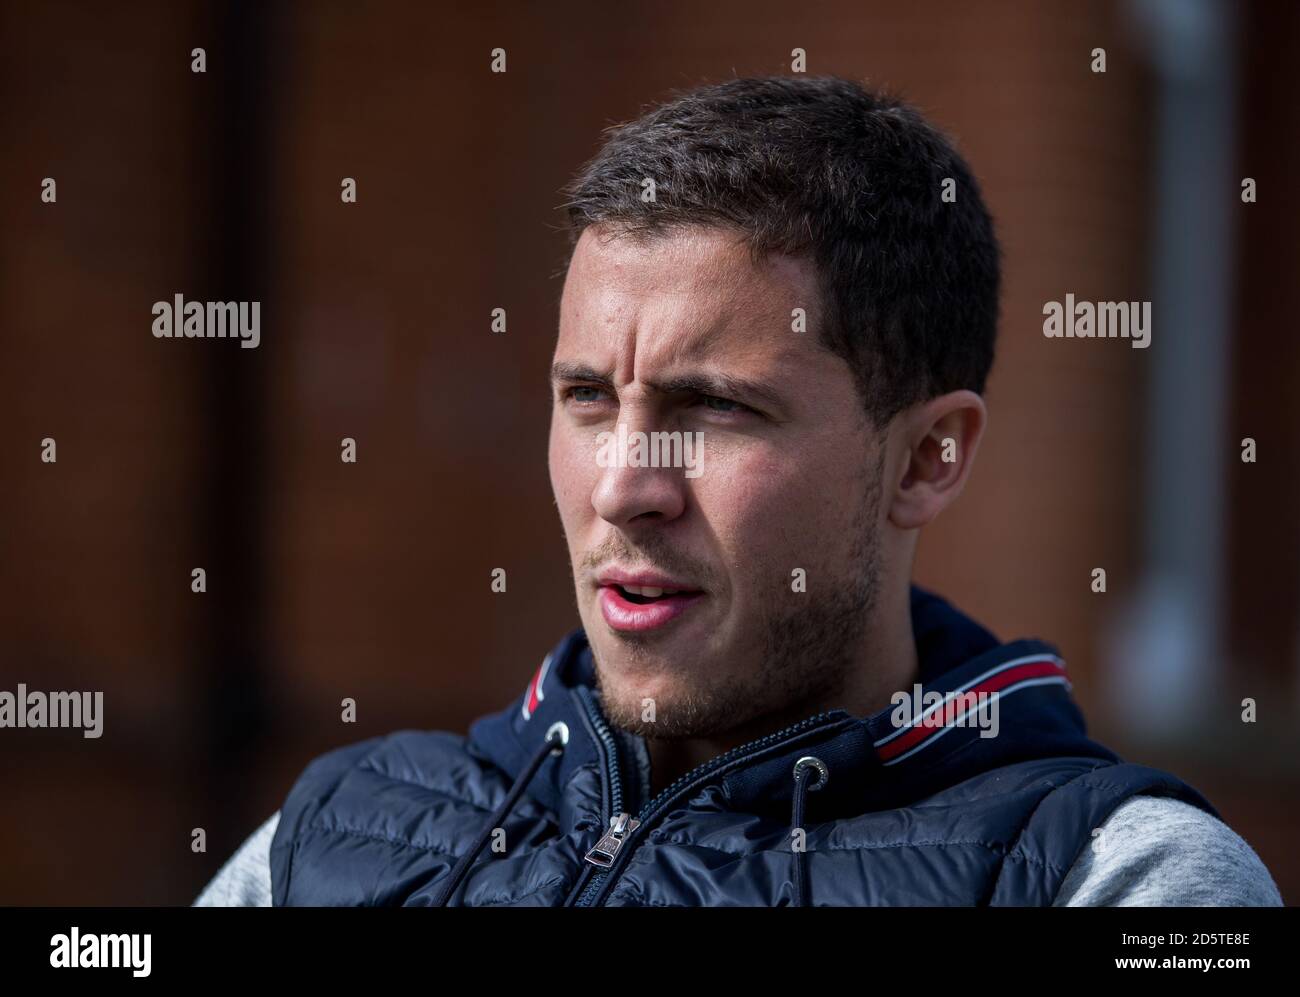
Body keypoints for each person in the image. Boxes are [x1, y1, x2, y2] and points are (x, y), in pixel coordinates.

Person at [195, 76, 1282, 907]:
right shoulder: (332, 838)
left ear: (924, 457)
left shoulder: (1111, 879)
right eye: (584, 398)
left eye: (711, 408)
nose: (622, 488)